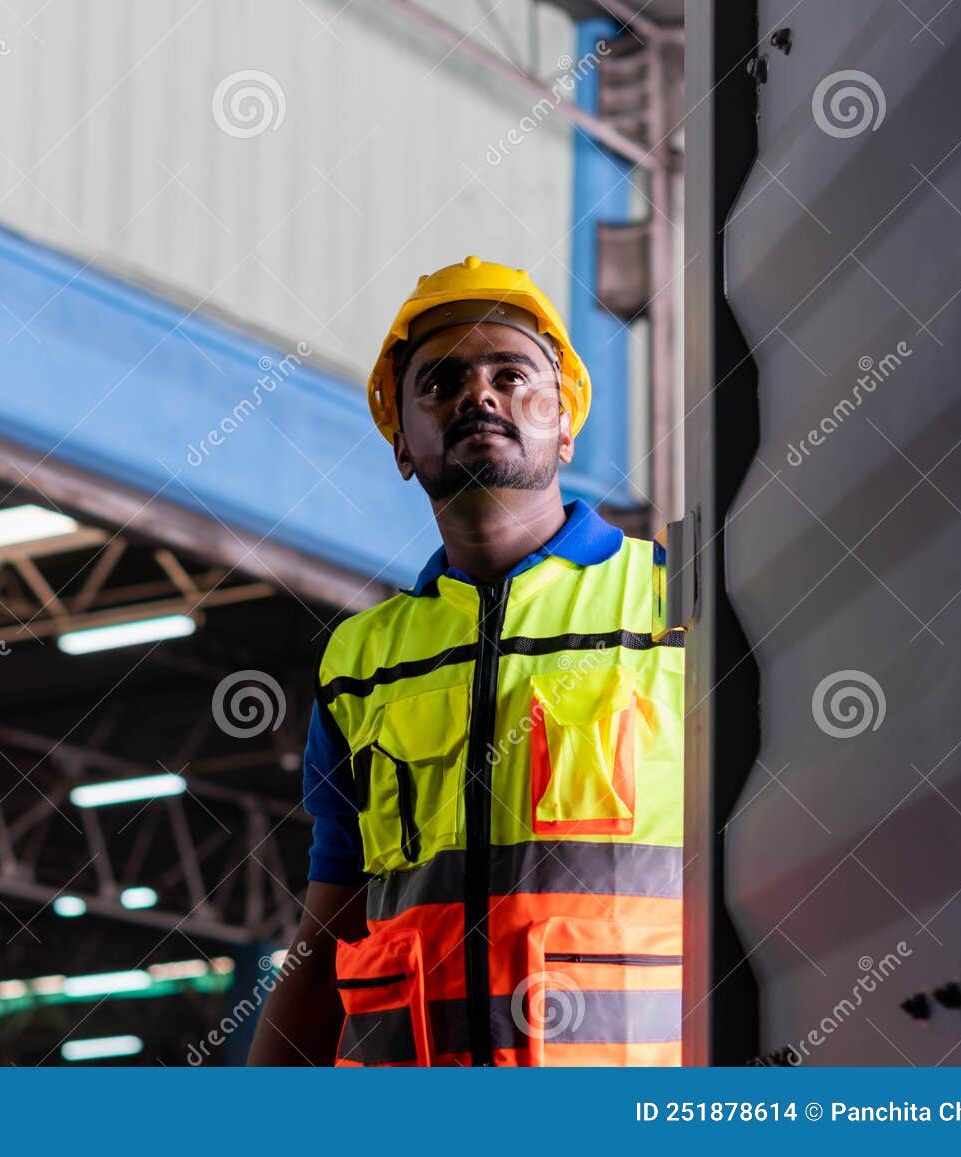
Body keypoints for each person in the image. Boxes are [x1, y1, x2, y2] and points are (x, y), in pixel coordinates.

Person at [249, 257, 684, 1066]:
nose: (478, 395)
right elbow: (328, 936)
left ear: (564, 423)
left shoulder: (678, 602)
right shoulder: (362, 660)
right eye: (440, 382)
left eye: (511, 374)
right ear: (403, 447)